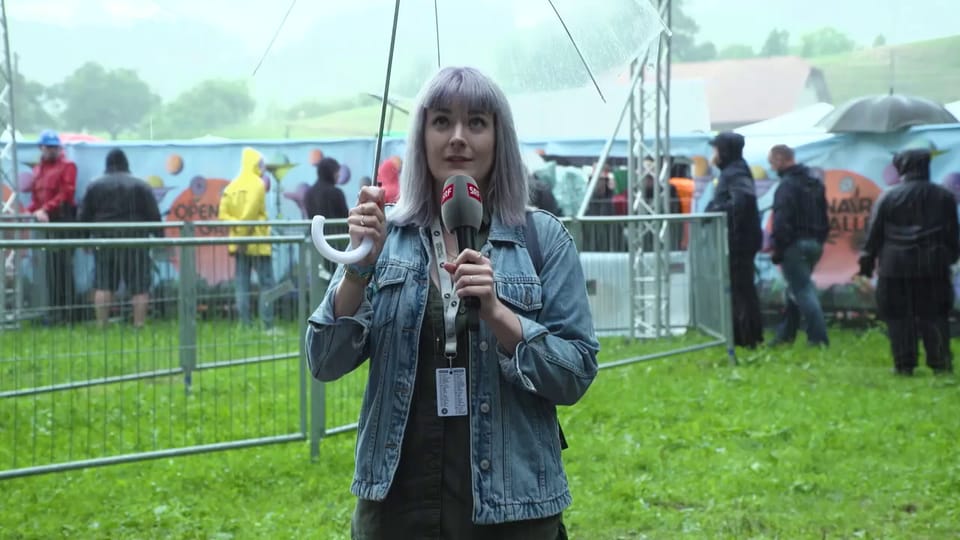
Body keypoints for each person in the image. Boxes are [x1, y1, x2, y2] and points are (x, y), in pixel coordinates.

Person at [305, 66, 599, 539]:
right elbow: (323, 359)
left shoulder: (542, 239)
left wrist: (501, 315)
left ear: (499, 137)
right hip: (399, 502)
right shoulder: (386, 237)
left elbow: (576, 373)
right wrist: (359, 267)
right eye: (441, 121)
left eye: (476, 123)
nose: (458, 138)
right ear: (421, 137)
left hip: (512, 506)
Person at [858, 149, 958, 376]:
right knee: (935, 316)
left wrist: (866, 261)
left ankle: (904, 364)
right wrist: (949, 258)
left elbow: (874, 233)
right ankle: (940, 363)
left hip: (895, 266)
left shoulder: (888, 196)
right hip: (933, 265)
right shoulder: (944, 196)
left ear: (902, 167)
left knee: (898, 318)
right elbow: (953, 234)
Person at [79, 149, 163, 328]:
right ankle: (139, 324)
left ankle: (102, 325)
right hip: (136, 239)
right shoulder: (142, 185)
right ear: (127, 164)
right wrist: (160, 237)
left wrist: (84, 239)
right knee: (140, 286)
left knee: (103, 284)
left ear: (107, 165)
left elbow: (84, 215)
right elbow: (154, 215)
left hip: (104, 239)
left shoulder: (94, 185)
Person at [768, 144, 830, 347]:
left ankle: (818, 339)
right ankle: (785, 335)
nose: (771, 167)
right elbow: (824, 216)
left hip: (794, 245)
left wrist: (779, 248)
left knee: (802, 291)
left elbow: (781, 219)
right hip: (814, 243)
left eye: (772, 162)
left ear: (780, 159)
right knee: (795, 289)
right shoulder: (814, 183)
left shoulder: (786, 185)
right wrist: (819, 240)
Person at [706, 132, 764, 348]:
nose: (713, 155)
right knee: (742, 289)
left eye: (716, 150)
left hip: (739, 241)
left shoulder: (736, 172)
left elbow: (742, 201)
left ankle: (747, 338)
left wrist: (716, 209)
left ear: (724, 151)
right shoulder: (735, 170)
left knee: (742, 291)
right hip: (740, 240)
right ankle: (745, 336)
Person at [218, 147, 278, 332]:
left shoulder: (231, 186)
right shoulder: (257, 184)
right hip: (257, 243)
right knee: (267, 284)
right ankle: (267, 326)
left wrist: (238, 233)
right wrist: (245, 234)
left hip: (238, 244)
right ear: (255, 164)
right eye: (261, 164)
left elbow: (222, 215)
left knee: (242, 285)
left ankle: (245, 325)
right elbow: (250, 214)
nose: (263, 168)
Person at [29, 129, 79, 323]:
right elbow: (36, 199)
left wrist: (45, 210)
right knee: (50, 268)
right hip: (46, 223)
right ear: (41, 148)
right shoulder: (37, 170)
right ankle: (54, 311)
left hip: (62, 221)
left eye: (55, 147)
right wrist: (28, 212)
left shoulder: (68, 166)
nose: (52, 150)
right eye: (48, 147)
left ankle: (69, 313)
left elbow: (67, 193)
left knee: (63, 267)